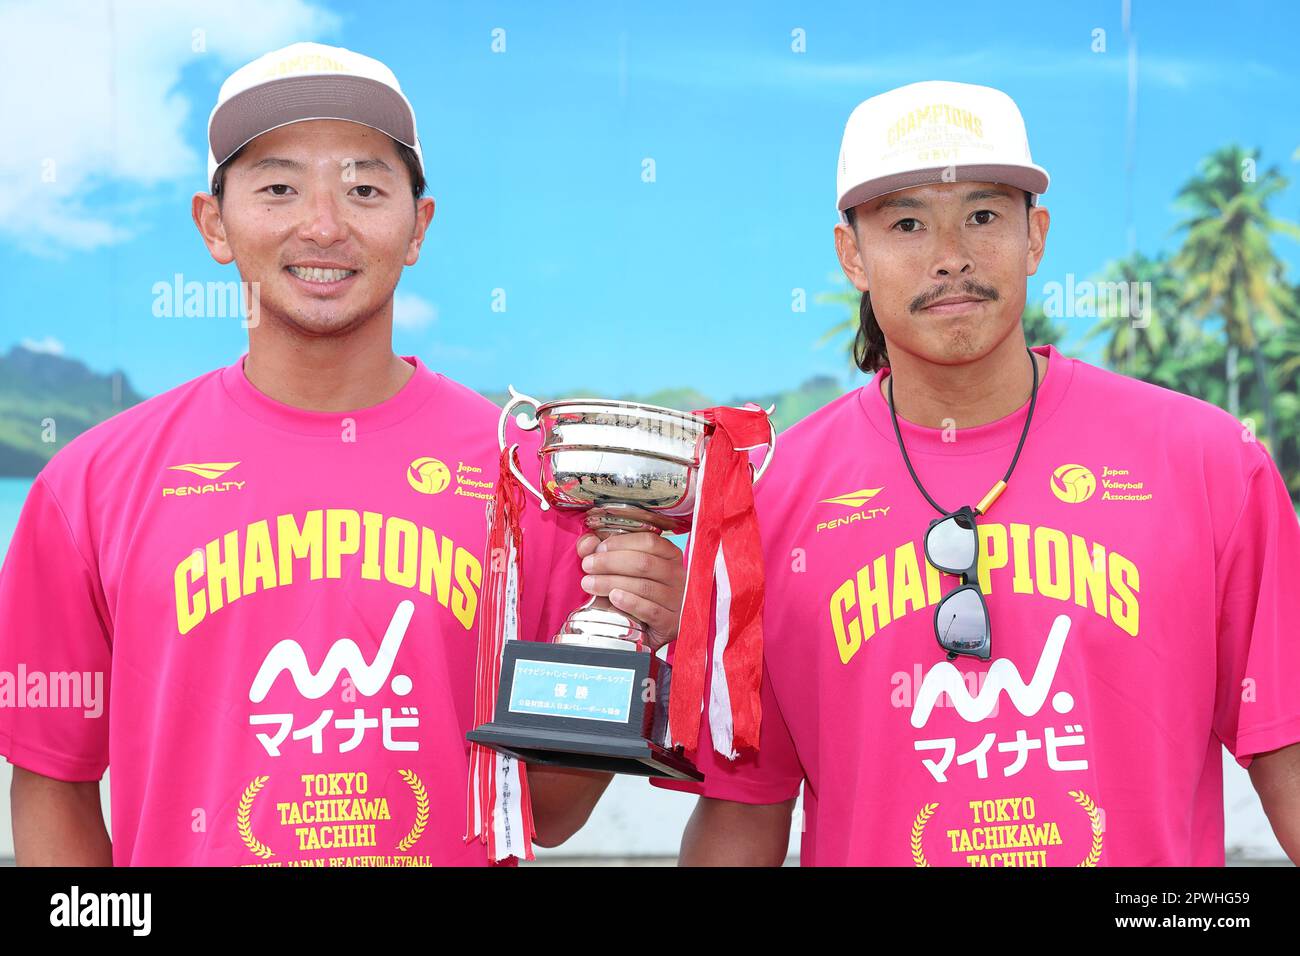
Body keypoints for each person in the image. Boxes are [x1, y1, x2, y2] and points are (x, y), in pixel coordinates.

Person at [0, 41, 678, 866]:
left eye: (364, 188)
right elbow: (52, 778)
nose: (323, 224)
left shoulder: (530, 477)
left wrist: (635, 632)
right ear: (213, 223)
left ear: (418, 226)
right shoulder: (94, 485)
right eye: (279, 187)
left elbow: (547, 811)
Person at [650, 80, 1300, 865]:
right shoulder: (770, 502)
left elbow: (1287, 754)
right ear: (852, 254)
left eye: (984, 216)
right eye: (908, 223)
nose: (951, 256)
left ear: (1036, 237)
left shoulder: (1206, 465)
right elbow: (745, 813)